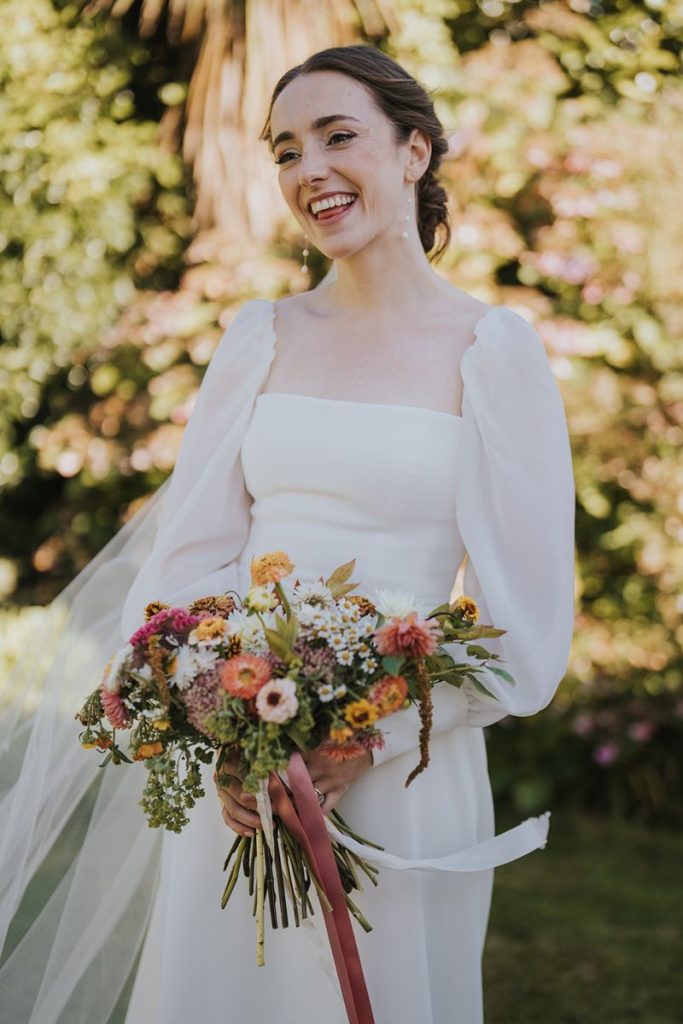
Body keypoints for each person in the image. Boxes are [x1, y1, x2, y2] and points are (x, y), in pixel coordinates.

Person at [0, 44, 575, 1024]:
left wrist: (366, 733)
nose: (307, 169)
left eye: (336, 136)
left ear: (413, 152)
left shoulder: (493, 351)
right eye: (283, 150)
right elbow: (182, 562)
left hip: (402, 772)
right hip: (242, 771)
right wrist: (221, 718)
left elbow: (525, 627)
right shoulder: (258, 336)